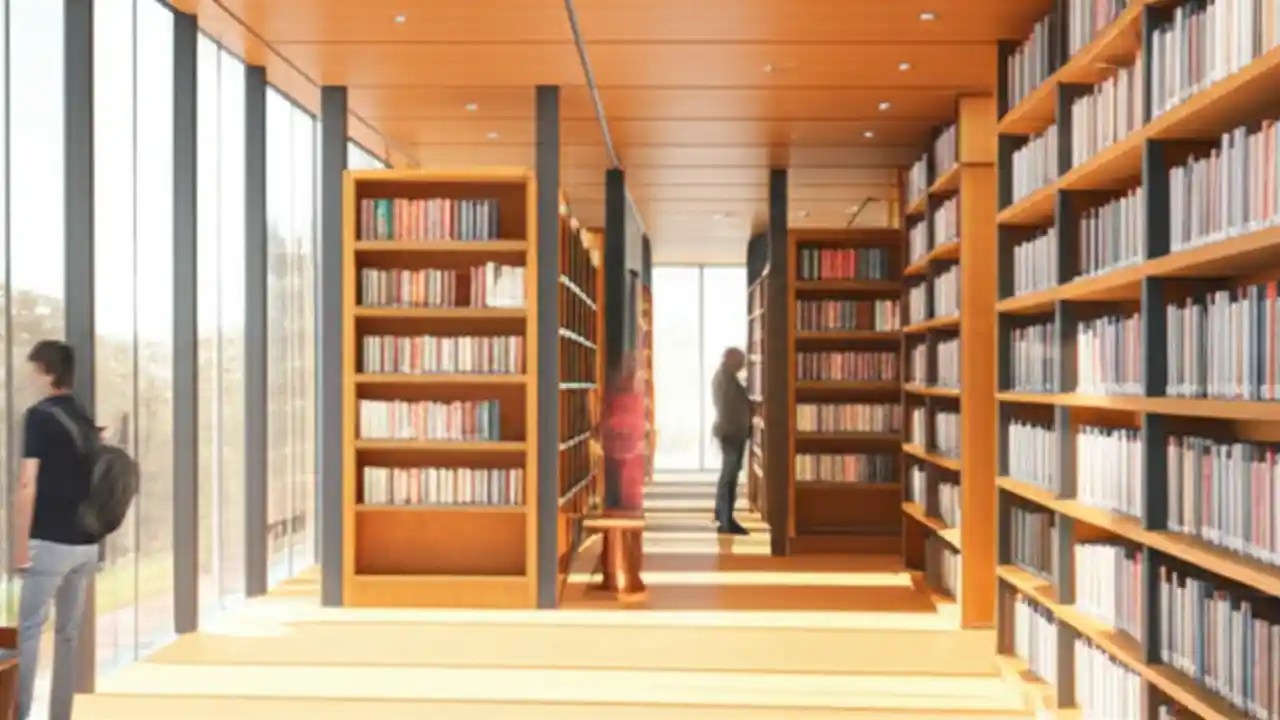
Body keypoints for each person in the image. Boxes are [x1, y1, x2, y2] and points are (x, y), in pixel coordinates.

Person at [11, 341, 100, 720]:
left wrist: (18, 547)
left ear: (47, 372)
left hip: (49, 543)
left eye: (33, 370)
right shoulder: (82, 416)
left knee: (28, 632)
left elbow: (27, 484)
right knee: (67, 634)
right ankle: (60, 715)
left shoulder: (39, 416)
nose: (30, 378)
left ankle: (20, 714)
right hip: (86, 545)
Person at [711, 347, 750, 535]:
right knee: (729, 475)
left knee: (729, 475)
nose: (743, 366)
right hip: (731, 433)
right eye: (740, 361)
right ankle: (725, 519)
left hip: (733, 432)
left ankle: (723, 515)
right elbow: (732, 406)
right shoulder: (725, 379)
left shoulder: (727, 377)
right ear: (730, 359)